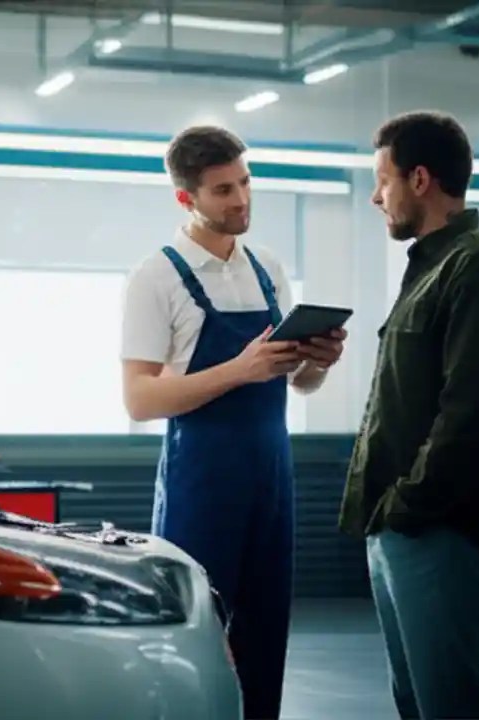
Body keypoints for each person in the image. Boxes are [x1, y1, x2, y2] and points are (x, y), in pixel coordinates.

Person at [120, 125, 346, 719]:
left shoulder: (268, 268)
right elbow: (140, 399)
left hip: (273, 477)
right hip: (201, 481)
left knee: (267, 633)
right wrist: (238, 369)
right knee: (193, 637)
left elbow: (298, 384)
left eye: (245, 182)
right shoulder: (155, 277)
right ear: (185, 198)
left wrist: (316, 363)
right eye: (223, 190)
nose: (241, 199)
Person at [339, 110, 479, 720]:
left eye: (382, 180)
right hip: (396, 526)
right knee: (415, 703)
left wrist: (406, 505)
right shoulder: (429, 265)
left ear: (420, 179)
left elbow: (473, 413)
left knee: (449, 705)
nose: (375, 196)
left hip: (435, 527)